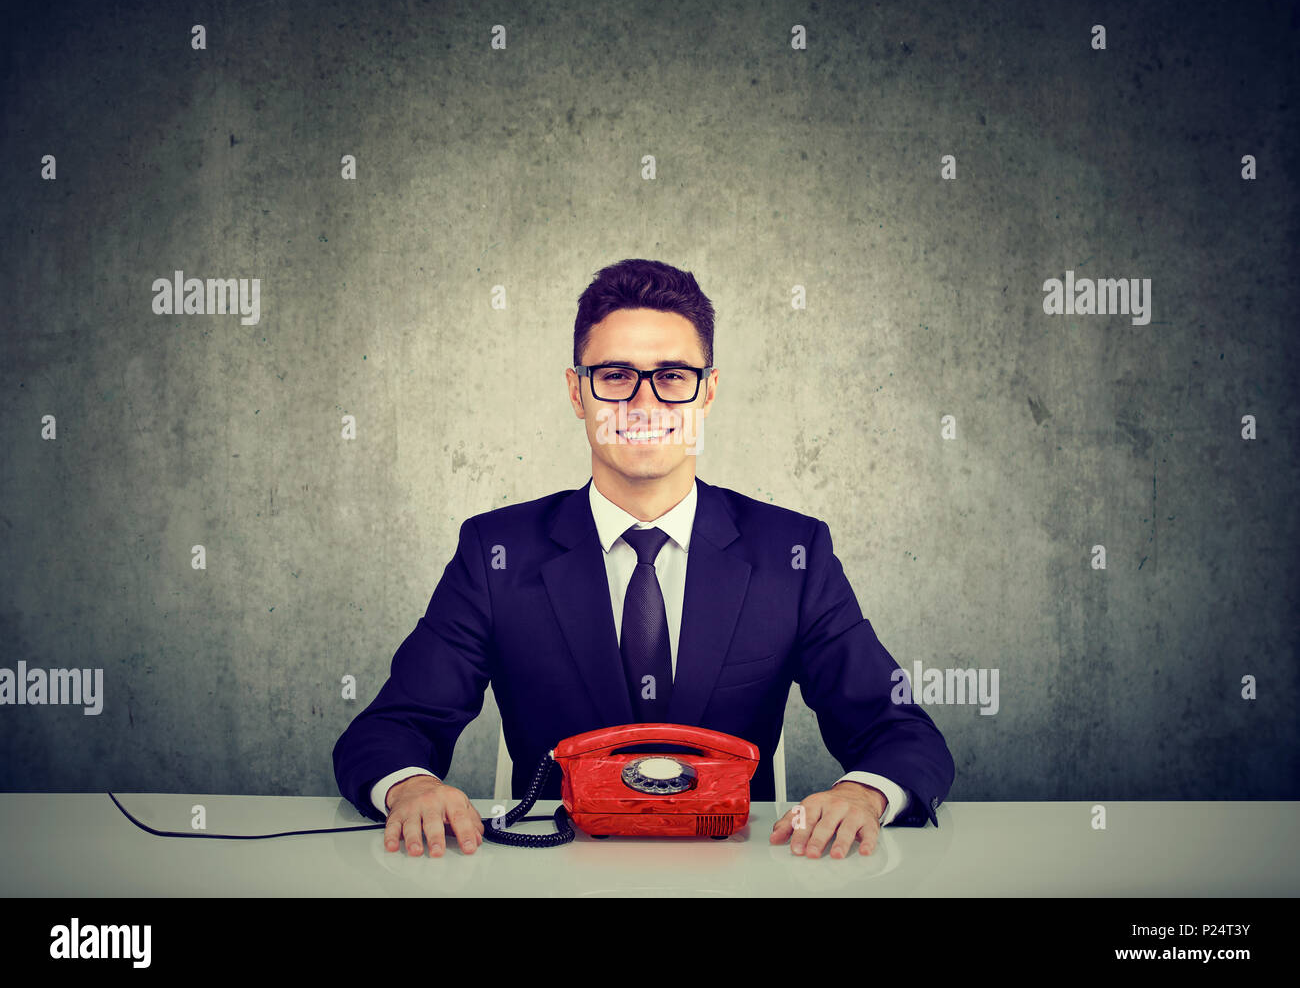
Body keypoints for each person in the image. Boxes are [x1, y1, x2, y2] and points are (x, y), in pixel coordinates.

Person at [332, 258, 954, 860]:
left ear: (708, 392)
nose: (644, 403)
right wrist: (410, 785)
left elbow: (898, 728)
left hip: (734, 873)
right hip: (554, 872)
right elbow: (394, 726)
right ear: (578, 392)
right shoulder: (497, 553)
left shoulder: (791, 554)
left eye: (673, 377)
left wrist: (864, 792)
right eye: (615, 375)